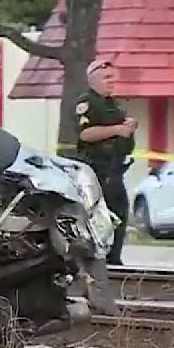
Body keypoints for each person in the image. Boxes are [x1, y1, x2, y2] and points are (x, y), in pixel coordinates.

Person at [74, 59, 137, 266]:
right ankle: (98, 258)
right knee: (101, 214)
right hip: (98, 168)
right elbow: (85, 134)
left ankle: (114, 258)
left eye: (113, 77)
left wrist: (129, 128)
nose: (111, 82)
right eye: (106, 78)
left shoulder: (115, 104)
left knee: (119, 212)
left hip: (116, 167)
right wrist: (117, 130)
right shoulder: (88, 103)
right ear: (93, 79)